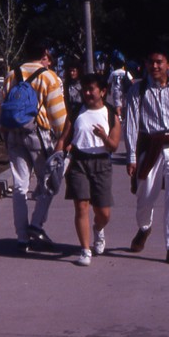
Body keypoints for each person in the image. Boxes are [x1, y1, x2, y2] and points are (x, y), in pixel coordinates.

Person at [124, 47, 169, 266]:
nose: (154, 66)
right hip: (151, 147)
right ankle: (144, 228)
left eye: (159, 62)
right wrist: (131, 158)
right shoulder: (138, 90)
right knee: (144, 197)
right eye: (150, 62)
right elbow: (131, 124)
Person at [0, 42, 68, 253]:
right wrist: (63, 139)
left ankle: (21, 237)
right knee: (49, 181)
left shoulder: (12, 74)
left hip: (13, 134)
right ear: (45, 52)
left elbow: (2, 106)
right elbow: (58, 115)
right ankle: (36, 224)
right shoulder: (49, 77)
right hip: (39, 135)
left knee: (20, 185)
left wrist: (4, 134)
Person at [56, 73, 121, 266]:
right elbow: (63, 138)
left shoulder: (110, 115)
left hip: (101, 164)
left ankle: (98, 229)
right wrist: (57, 158)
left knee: (104, 213)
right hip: (79, 163)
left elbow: (114, 146)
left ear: (102, 91)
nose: (86, 93)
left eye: (91, 89)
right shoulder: (76, 112)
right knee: (81, 206)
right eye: (84, 89)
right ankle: (85, 250)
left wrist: (103, 136)